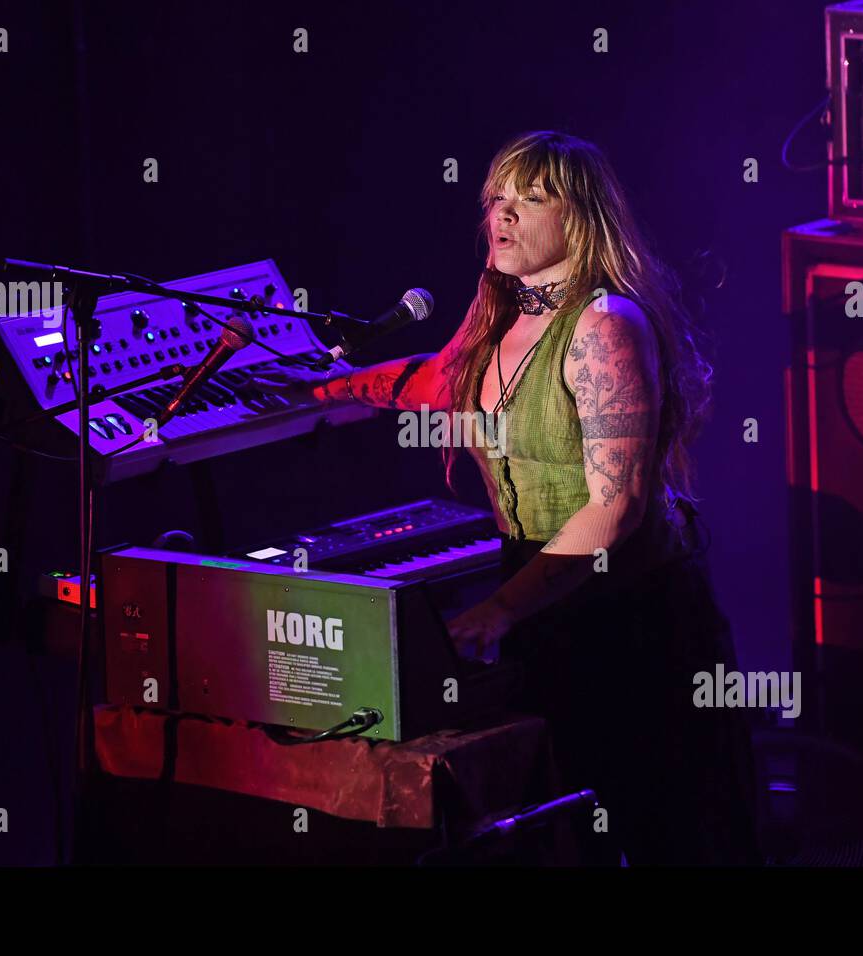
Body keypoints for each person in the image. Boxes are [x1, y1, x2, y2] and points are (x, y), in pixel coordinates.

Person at [270, 130, 761, 865]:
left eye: (532, 199)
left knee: (663, 830)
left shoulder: (604, 326)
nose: (503, 214)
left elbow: (615, 505)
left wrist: (500, 609)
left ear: (582, 218)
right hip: (548, 610)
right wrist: (318, 387)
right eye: (497, 197)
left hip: (635, 620)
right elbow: (437, 383)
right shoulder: (500, 315)